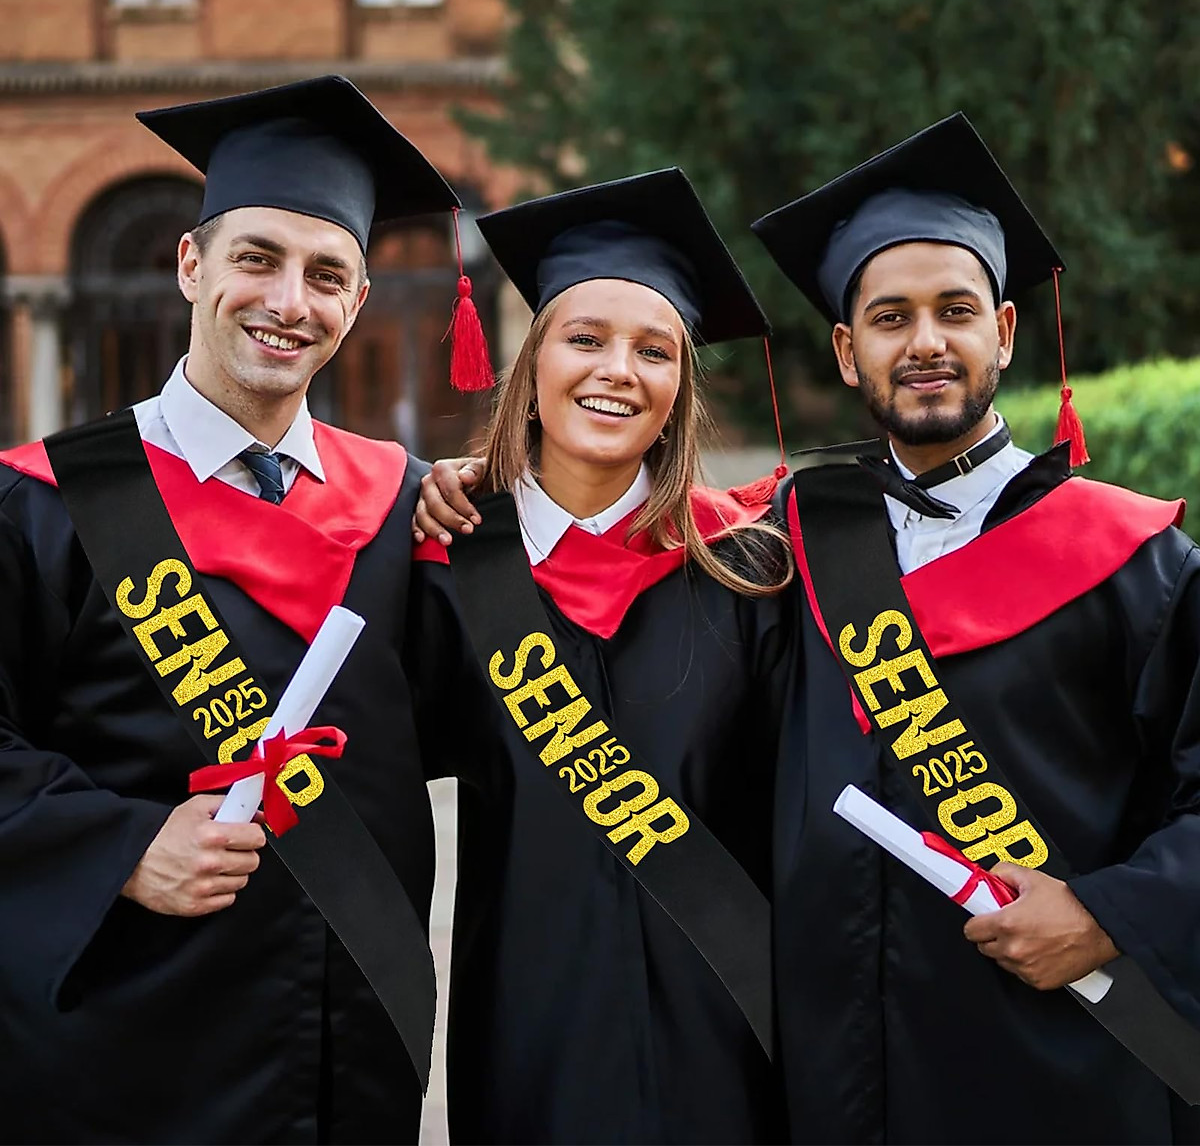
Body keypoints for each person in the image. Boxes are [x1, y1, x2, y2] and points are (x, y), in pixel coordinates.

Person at [0, 75, 465, 1143]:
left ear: (355, 300)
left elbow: (470, 723)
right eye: (257, 258)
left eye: (328, 274)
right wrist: (117, 846)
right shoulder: (42, 505)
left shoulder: (399, 504)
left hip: (350, 1043)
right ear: (191, 264)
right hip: (126, 1051)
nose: (289, 301)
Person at [750, 112, 1200, 1143]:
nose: (926, 343)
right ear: (848, 350)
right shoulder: (790, 545)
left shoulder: (1137, 562)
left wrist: (1106, 917)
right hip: (841, 1078)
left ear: (1001, 331)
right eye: (891, 317)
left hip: (1060, 1073)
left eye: (955, 311)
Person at [407, 168, 793, 1145]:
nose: (618, 369)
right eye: (584, 340)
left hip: (728, 1041)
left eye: (654, 351)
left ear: (679, 390)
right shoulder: (445, 564)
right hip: (531, 1034)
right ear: (530, 365)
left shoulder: (750, 575)